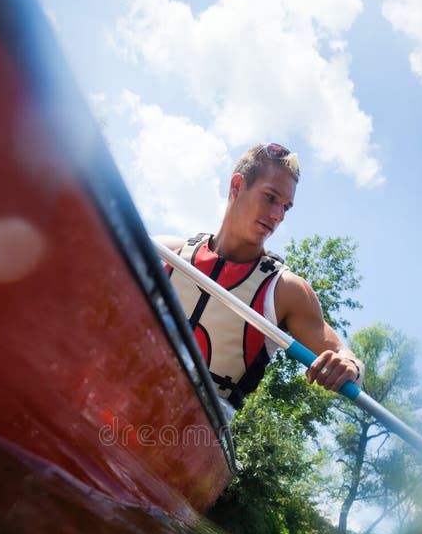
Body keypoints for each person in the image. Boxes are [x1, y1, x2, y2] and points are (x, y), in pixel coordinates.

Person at [156, 142, 364, 417]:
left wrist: (349, 366)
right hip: (126, 395)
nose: (278, 216)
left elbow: (347, 359)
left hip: (197, 430)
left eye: (286, 207)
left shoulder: (285, 291)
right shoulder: (166, 252)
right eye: (270, 198)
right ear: (236, 186)